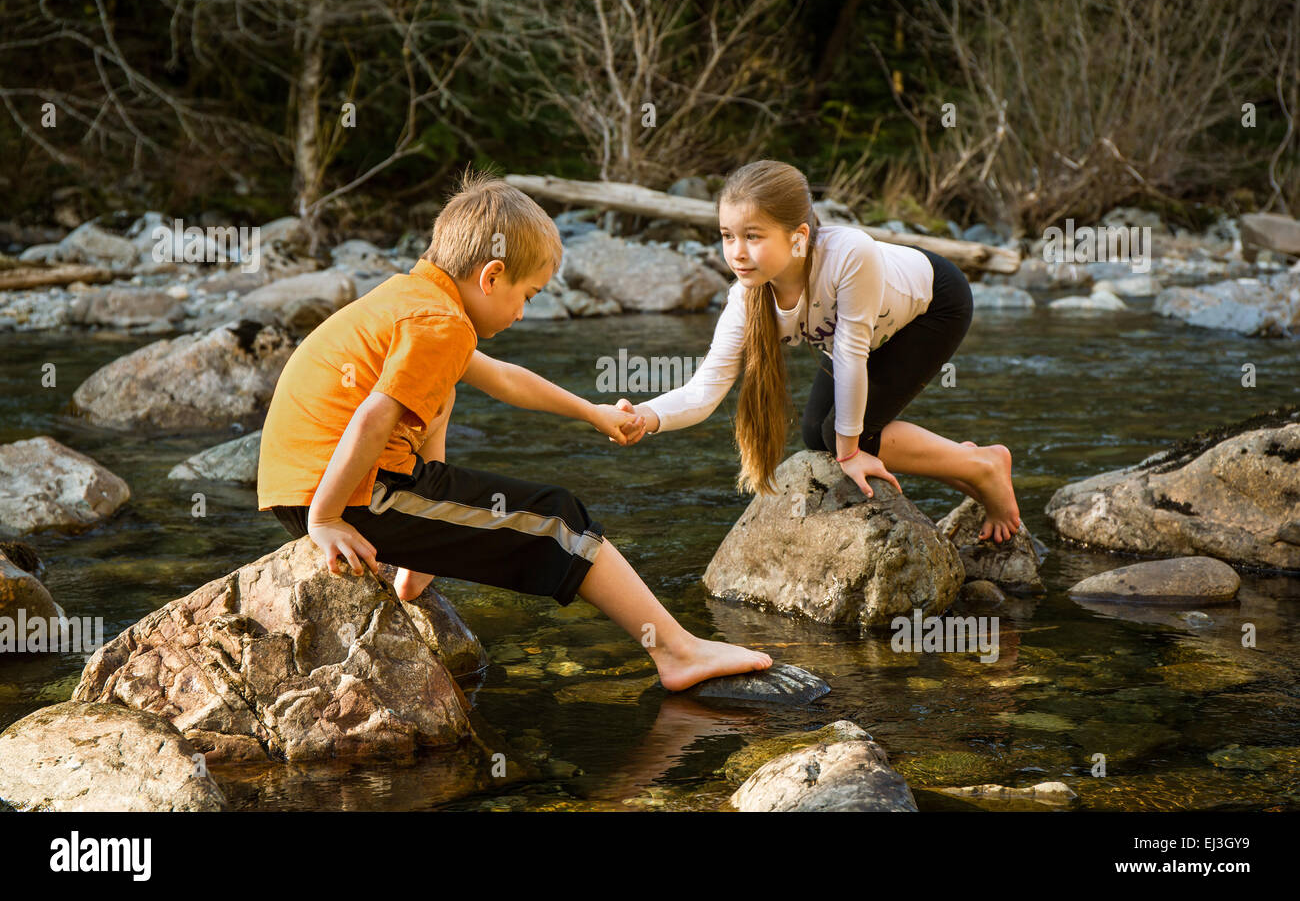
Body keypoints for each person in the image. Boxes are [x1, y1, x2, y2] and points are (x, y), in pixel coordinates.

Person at [256, 169, 772, 691]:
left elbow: (504, 378)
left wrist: (591, 412)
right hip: (347, 498)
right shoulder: (442, 324)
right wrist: (324, 518)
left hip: (304, 486)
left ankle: (422, 553)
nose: (523, 313)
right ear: (492, 275)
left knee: (447, 386)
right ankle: (677, 652)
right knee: (557, 520)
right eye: (527, 294)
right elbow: (372, 416)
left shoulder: (413, 298)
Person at [619, 159, 1022, 543]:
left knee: (843, 437)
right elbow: (703, 390)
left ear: (798, 236)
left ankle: (983, 469)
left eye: (753, 236)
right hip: (864, 335)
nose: (737, 252)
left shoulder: (848, 254)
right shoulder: (746, 298)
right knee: (817, 435)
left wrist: (849, 453)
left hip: (932, 308)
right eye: (728, 235)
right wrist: (646, 416)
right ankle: (972, 461)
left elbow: (850, 353)